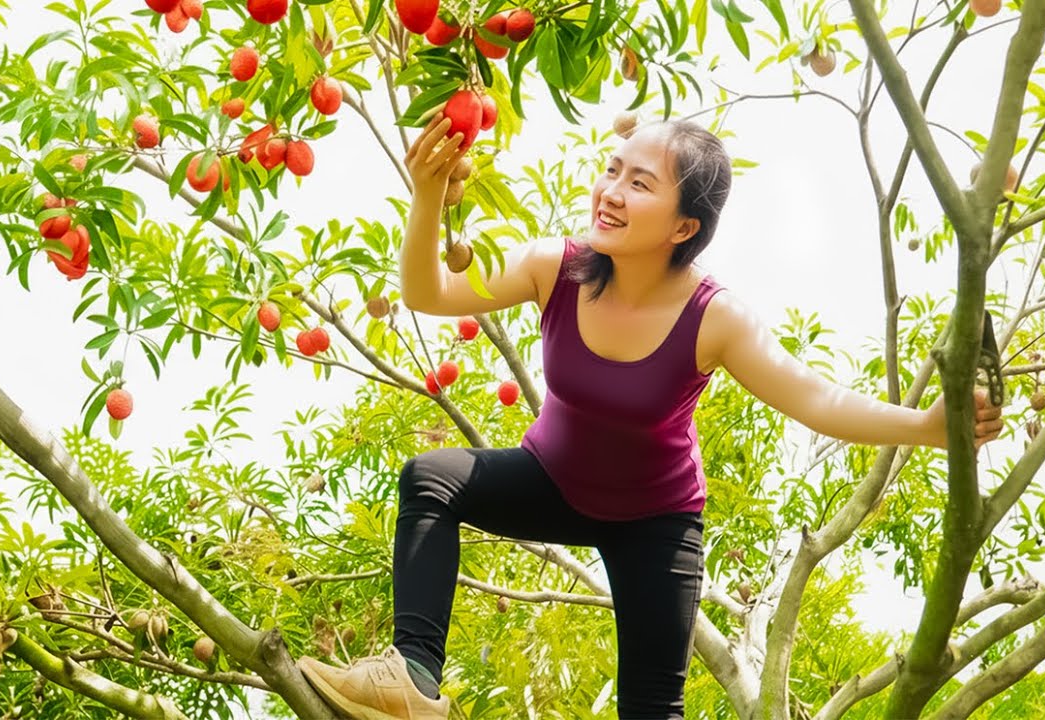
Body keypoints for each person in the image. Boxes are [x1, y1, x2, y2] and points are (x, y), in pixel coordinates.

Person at [296, 113, 1005, 720]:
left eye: (640, 183)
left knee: (651, 711)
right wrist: (426, 195)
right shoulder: (557, 267)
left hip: (655, 526)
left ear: (684, 225)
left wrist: (926, 426)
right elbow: (430, 293)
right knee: (431, 478)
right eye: (613, 171)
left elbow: (815, 398)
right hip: (552, 479)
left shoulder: (713, 318)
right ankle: (414, 682)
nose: (610, 192)